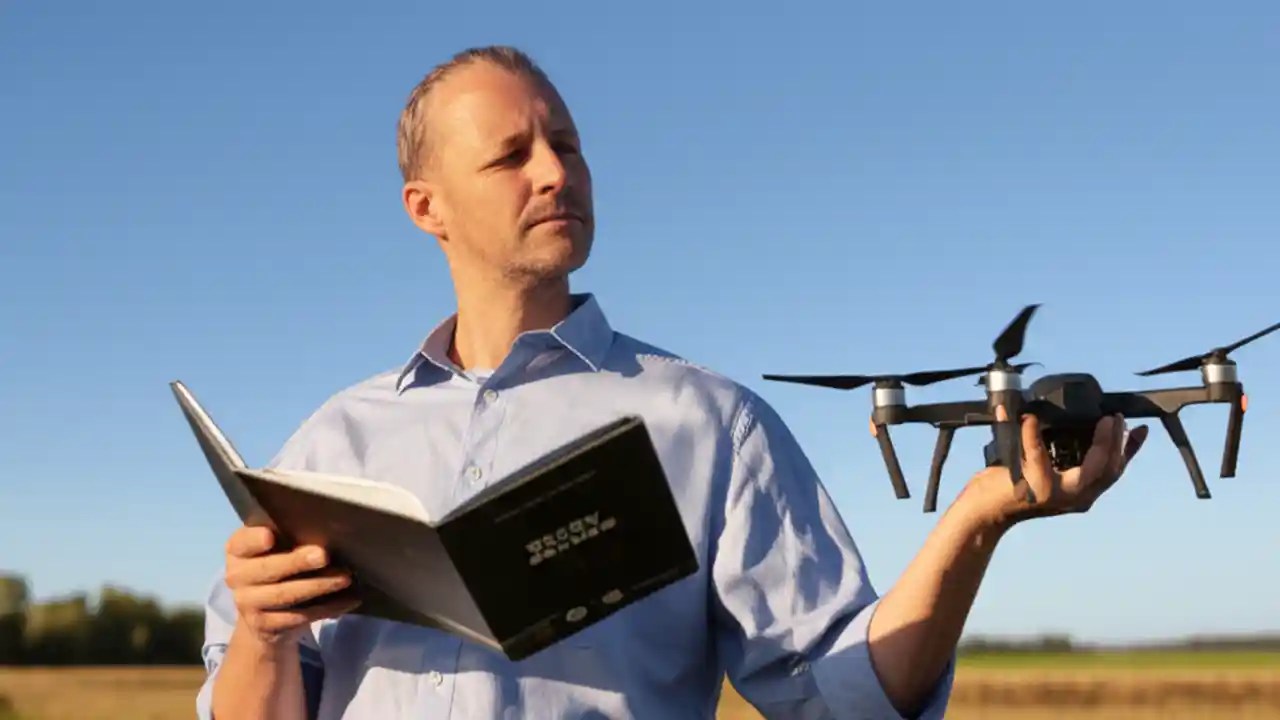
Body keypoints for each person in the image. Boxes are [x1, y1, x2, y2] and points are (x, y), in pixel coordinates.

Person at [195, 45, 1149, 720]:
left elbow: (842, 698)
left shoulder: (708, 425)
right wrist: (265, 635)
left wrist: (977, 518)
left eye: (566, 144)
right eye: (511, 155)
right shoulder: (333, 447)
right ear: (425, 208)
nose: (554, 172)